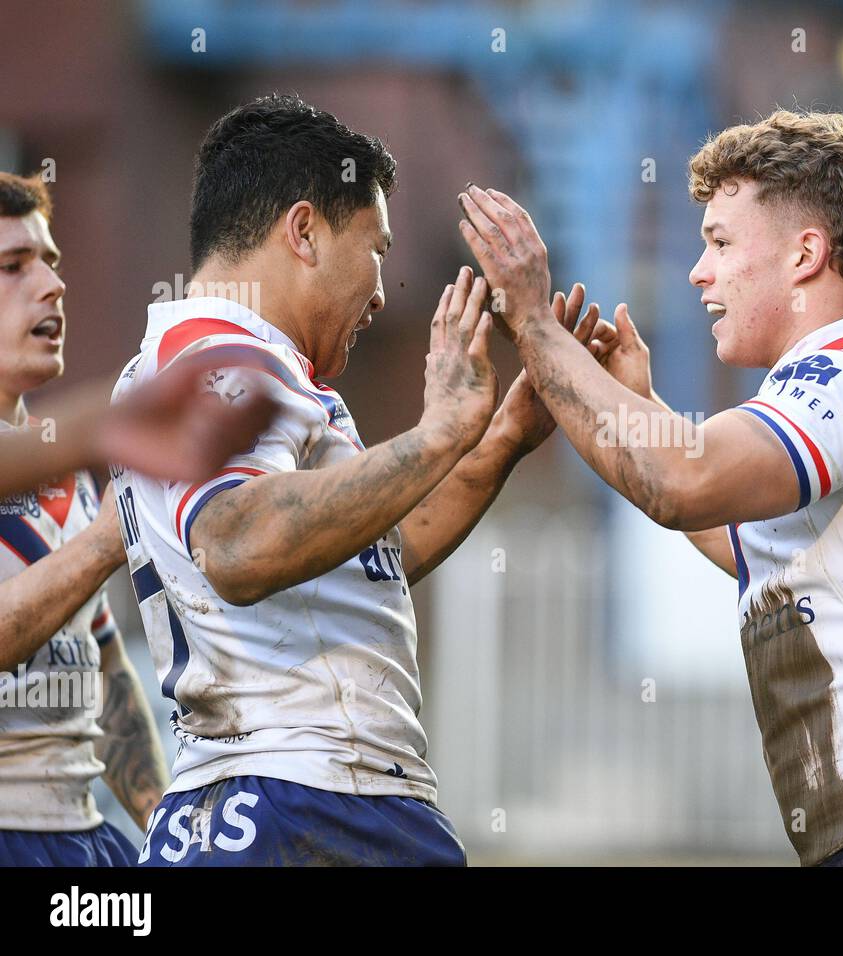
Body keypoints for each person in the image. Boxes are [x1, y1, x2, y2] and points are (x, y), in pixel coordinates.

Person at [459, 109, 843, 866]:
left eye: (719, 242)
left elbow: (682, 481)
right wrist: (643, 413)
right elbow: (747, 540)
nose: (699, 272)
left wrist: (531, 320)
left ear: (805, 254)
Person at [117, 94, 610, 866]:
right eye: (375, 246)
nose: (383, 291)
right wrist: (438, 429)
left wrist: (496, 440)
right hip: (308, 805)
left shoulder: (241, 361)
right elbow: (238, 544)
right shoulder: (220, 355)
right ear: (304, 231)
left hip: (264, 804)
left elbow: (375, 555)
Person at [0, 171, 169, 865]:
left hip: (80, 834)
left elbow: (103, 668)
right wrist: (106, 540)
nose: (52, 283)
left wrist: (163, 829)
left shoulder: (60, 469)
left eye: (52, 262)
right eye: (13, 266)